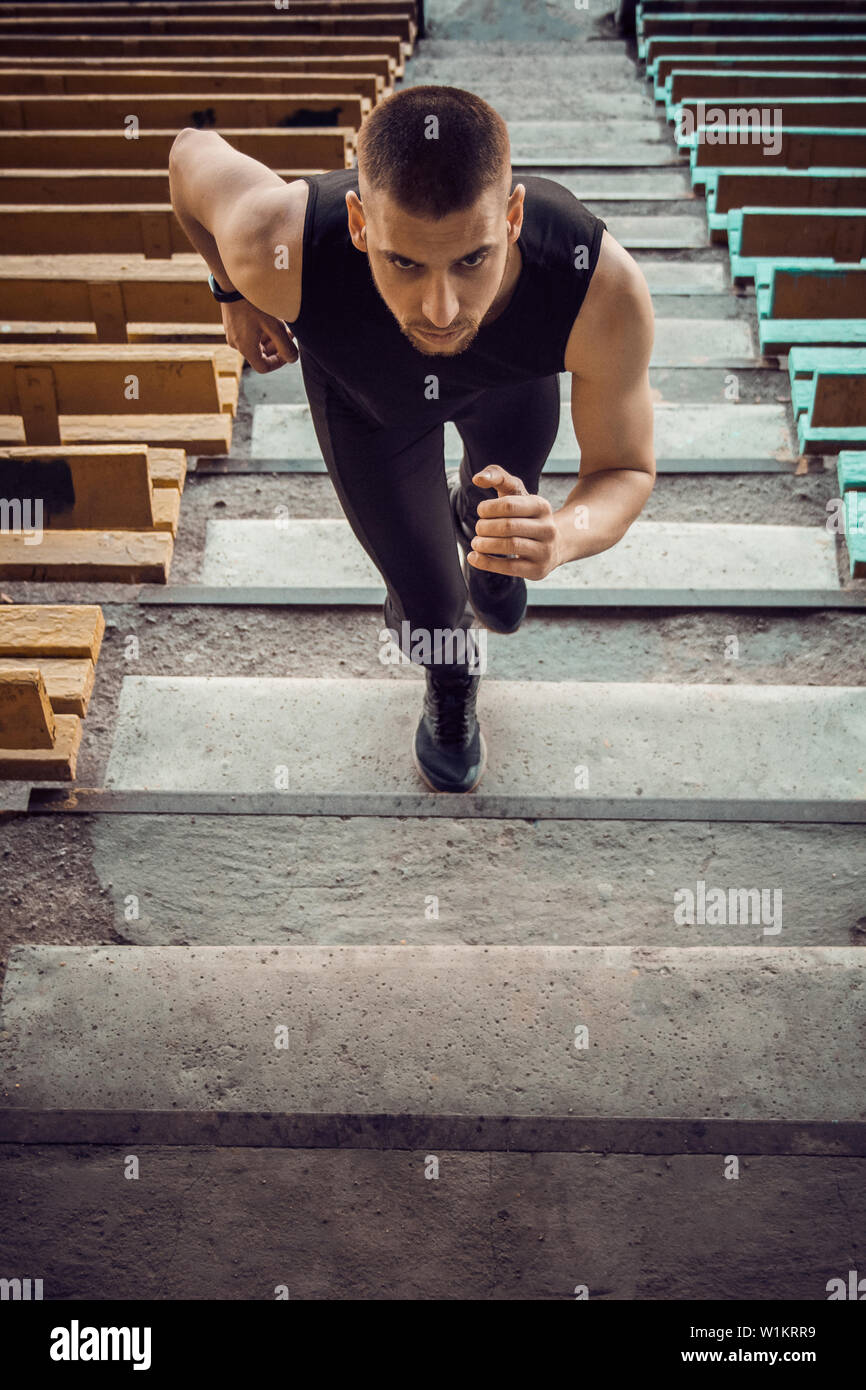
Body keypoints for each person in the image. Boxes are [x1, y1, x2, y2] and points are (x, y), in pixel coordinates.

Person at [169, 85, 655, 794]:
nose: (441, 310)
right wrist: (230, 293)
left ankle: (487, 545)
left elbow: (625, 466)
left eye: (471, 260)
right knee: (428, 597)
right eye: (404, 263)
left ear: (513, 218)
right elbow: (188, 155)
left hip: (509, 390)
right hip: (369, 406)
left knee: (505, 525)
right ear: (361, 223)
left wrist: (565, 535)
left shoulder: (596, 286)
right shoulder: (274, 242)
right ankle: (452, 675)